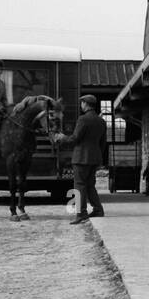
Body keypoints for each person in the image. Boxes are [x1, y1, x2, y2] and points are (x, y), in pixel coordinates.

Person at [55, 94, 106, 225]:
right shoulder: (101, 121)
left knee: (79, 185)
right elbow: (103, 142)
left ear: (85, 104)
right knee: (90, 185)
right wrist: (98, 156)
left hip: (81, 158)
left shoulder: (83, 119)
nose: (81, 105)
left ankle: (81, 213)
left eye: (82, 103)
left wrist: (62, 137)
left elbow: (75, 138)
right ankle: (98, 209)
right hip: (94, 158)